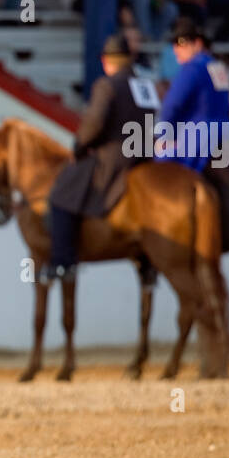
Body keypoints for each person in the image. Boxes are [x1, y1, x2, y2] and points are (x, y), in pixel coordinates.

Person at [45, 33, 154, 282]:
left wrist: (79, 147)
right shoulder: (146, 85)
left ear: (108, 61)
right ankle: (148, 263)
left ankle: (63, 262)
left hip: (114, 158)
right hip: (144, 156)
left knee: (61, 191)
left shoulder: (106, 85)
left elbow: (93, 123)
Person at [155, 19, 229, 171]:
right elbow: (227, 103)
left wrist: (164, 135)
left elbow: (171, 105)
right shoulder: (218, 67)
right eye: (174, 44)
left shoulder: (192, 68)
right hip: (227, 134)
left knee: (159, 171)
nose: (176, 49)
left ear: (198, 44)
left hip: (200, 138)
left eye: (182, 43)